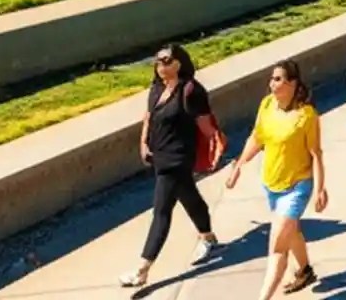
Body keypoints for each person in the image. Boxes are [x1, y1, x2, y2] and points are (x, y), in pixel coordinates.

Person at [119, 44, 223, 288]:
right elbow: (149, 116)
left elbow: (206, 125)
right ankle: (208, 237)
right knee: (189, 196)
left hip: (177, 157)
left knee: (161, 211)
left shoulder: (191, 91)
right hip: (159, 155)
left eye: (166, 60)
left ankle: (142, 269)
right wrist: (143, 141)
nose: (161, 65)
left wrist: (216, 146)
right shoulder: (156, 88)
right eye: (157, 61)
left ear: (179, 62)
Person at [225, 61, 327, 299]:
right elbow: (256, 138)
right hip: (271, 183)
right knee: (291, 233)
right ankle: (304, 270)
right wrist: (239, 165)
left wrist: (320, 189)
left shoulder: (306, 116)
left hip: (297, 187)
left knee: (277, 247)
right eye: (272, 78)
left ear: (292, 84)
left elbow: (316, 154)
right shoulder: (267, 105)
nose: (272, 83)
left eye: (279, 79)